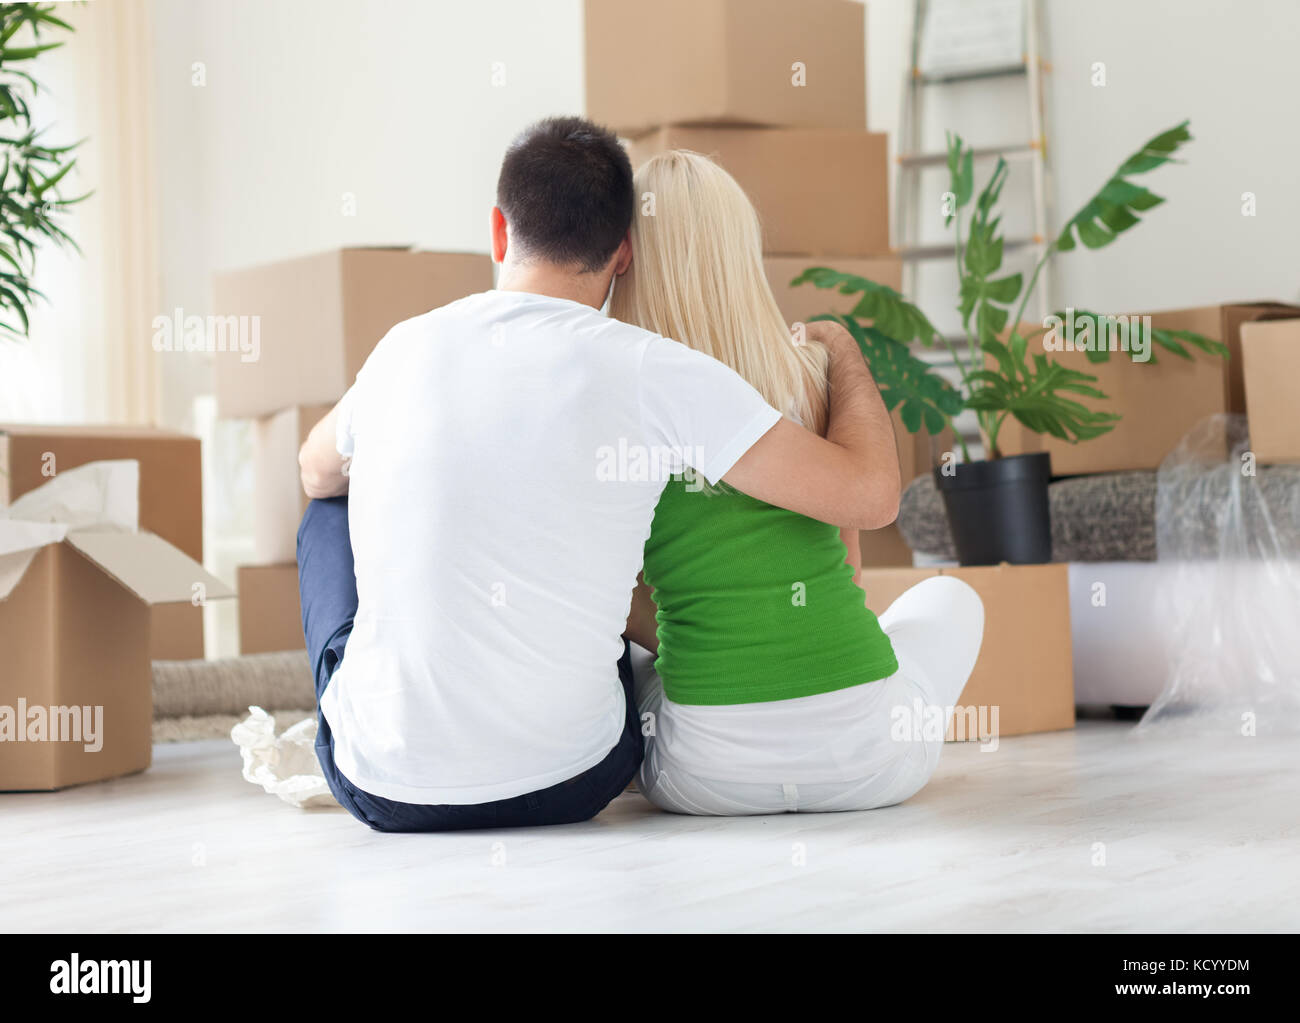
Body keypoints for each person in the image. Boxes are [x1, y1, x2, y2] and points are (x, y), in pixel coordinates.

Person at [294, 117, 900, 831]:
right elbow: (866, 495)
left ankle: (397, 712)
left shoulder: (404, 347)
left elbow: (312, 468)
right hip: (578, 778)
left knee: (328, 504)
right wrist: (837, 349)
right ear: (621, 255)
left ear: (498, 231)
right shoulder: (657, 370)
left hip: (389, 789)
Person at [613, 151, 985, 816]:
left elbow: (618, 596)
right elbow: (850, 559)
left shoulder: (620, 404)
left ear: (626, 259)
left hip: (703, 779)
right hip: (870, 760)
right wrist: (842, 348)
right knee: (953, 599)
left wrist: (702, 627)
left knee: (620, 655)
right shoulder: (808, 375)